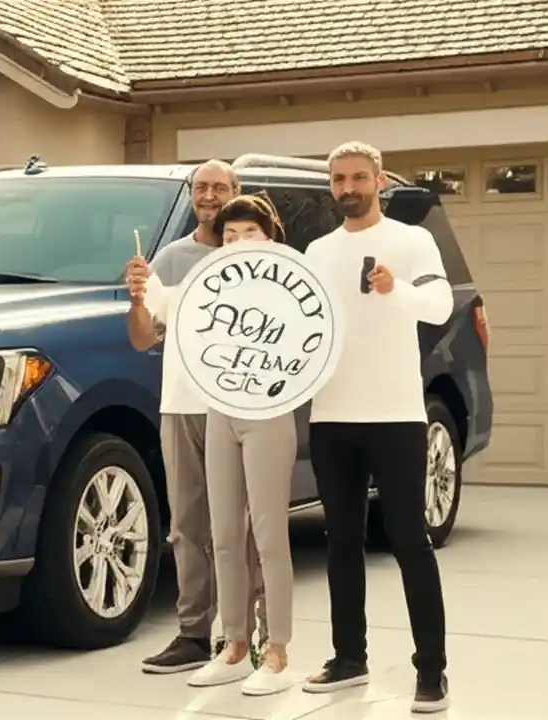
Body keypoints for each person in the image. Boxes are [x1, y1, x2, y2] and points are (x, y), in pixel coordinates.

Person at [300, 141, 452, 713]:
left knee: (410, 541)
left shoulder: (412, 241)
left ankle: (432, 671)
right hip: (332, 414)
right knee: (341, 542)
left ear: (380, 180)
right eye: (339, 179)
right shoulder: (316, 250)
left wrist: (397, 291)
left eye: (359, 178)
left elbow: (438, 306)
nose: (348, 188)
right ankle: (348, 658)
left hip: (395, 414)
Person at [124, 160, 268, 675]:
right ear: (192, 195)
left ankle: (252, 633)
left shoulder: (263, 258)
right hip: (183, 405)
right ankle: (193, 633)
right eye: (201, 187)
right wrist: (138, 297)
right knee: (187, 525)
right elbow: (143, 337)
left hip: (242, 408)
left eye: (220, 188)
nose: (210, 195)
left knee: (245, 526)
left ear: (237, 192)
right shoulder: (171, 257)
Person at [184, 195, 298, 696]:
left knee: (270, 535)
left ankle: (277, 650)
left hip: (269, 412)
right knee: (224, 532)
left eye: (248, 233)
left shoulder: (291, 281)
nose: (237, 243)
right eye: (229, 236)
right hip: (219, 408)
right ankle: (233, 644)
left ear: (269, 234)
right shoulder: (212, 287)